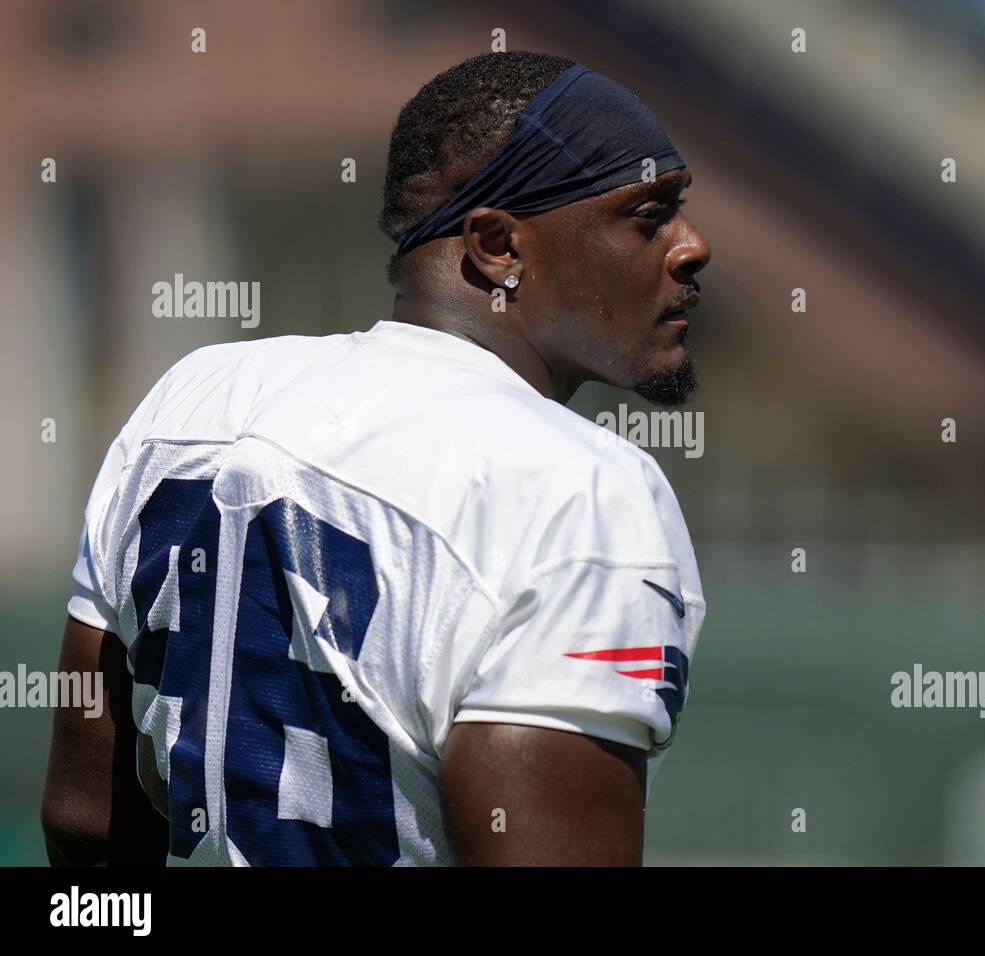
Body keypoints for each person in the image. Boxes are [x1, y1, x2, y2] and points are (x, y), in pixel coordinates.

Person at [41, 50, 711, 866]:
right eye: (649, 214)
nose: (693, 246)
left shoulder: (193, 398)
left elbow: (86, 818)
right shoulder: (580, 487)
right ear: (499, 245)